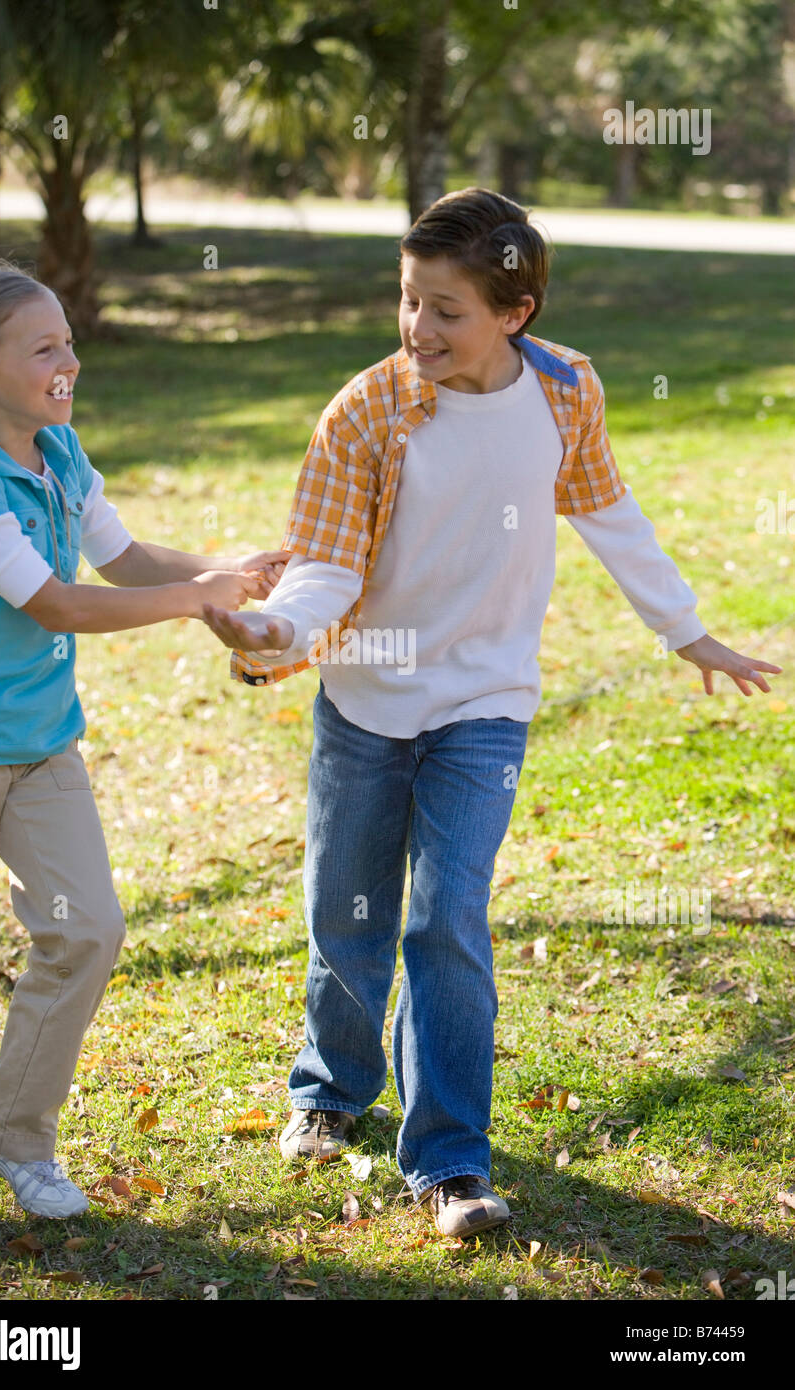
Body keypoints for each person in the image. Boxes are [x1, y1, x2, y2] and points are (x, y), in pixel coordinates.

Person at [202, 189, 782, 1240]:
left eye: (445, 310)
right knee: (350, 912)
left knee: (444, 918)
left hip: (485, 705)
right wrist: (277, 633)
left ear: (513, 313)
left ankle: (449, 1165)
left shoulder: (562, 391)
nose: (417, 329)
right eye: (407, 301)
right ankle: (329, 1090)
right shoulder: (367, 410)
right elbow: (326, 563)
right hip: (366, 698)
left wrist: (685, 631)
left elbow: (610, 513)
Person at [0, 256, 287, 1243]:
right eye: (44, 348)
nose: (69, 361)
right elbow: (58, 601)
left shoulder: (62, 450)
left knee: (87, 928)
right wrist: (196, 598)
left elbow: (123, 561)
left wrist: (232, 578)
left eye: (70, 342)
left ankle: (9, 1132)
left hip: (43, 749)